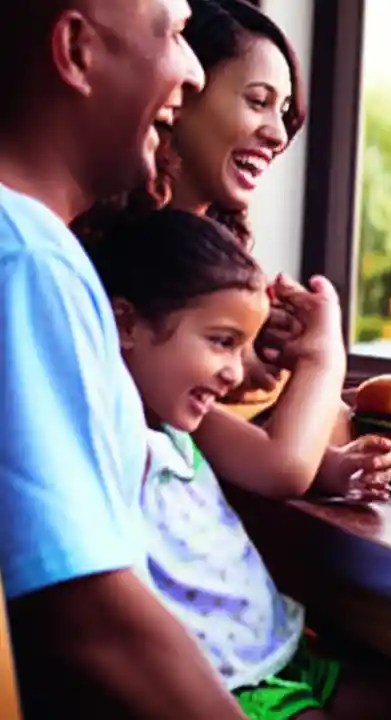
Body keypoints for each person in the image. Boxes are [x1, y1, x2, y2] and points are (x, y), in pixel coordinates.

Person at [92, 209, 391, 719]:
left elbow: (276, 466)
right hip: (228, 687)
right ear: (126, 324)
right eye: (221, 342)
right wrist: (325, 359)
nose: (234, 374)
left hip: (279, 655)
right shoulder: (114, 431)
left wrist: (333, 469)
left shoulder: (179, 423)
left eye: (244, 347)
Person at [0, 1, 249, 717]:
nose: (194, 73)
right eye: (173, 33)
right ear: (77, 50)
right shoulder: (27, 256)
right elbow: (88, 618)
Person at [75, 0, 309, 410]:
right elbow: (281, 468)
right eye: (257, 101)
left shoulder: (230, 271)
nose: (278, 134)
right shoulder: (114, 269)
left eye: (284, 112)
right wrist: (320, 360)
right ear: (180, 93)